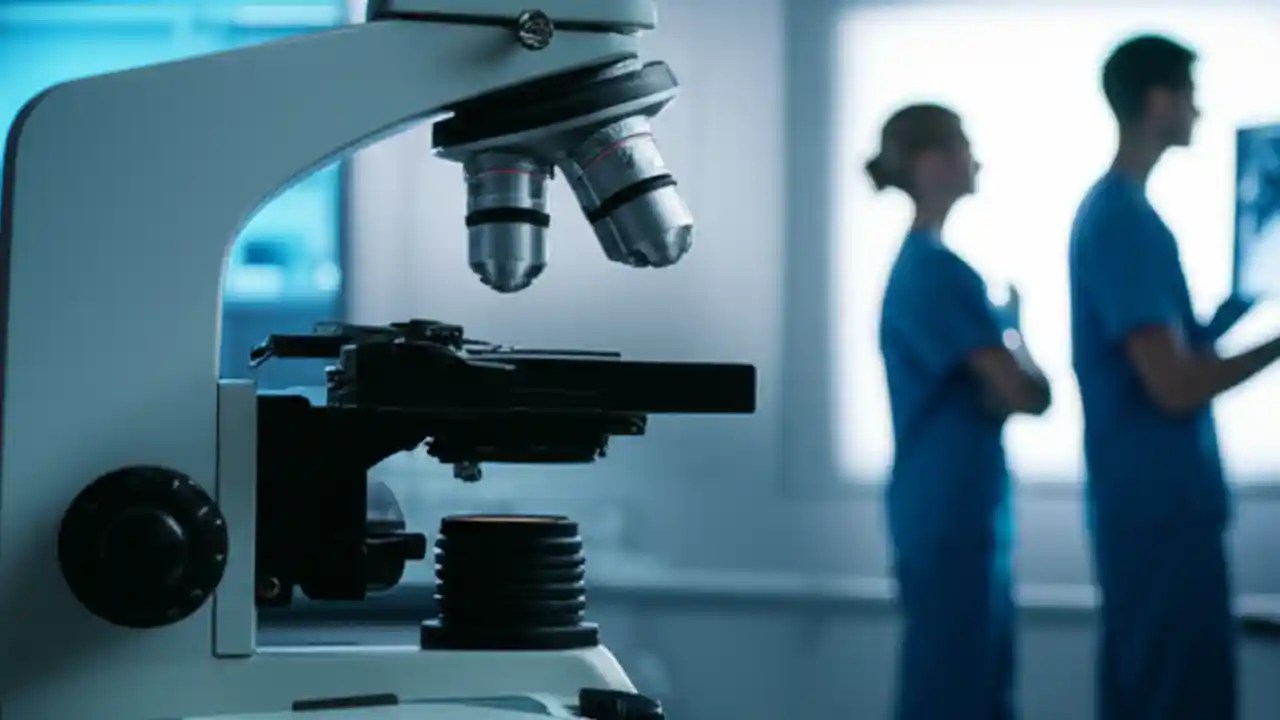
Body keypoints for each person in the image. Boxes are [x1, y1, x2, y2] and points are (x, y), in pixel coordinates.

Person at [1069, 34, 1280, 720]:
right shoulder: (1124, 223)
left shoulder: (1124, 215)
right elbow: (1175, 386)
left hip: (1154, 510)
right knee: (1174, 698)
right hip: (1159, 515)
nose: (1200, 109)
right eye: (1190, 94)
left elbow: (1168, 351)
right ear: (1159, 101)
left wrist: (1236, 308)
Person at [869, 103, 1052, 720]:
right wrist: (1014, 337)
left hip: (951, 509)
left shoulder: (929, 269)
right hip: (949, 512)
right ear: (930, 162)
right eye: (963, 145)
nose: (975, 160)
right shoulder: (937, 273)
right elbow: (1026, 394)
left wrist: (1004, 345)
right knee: (954, 691)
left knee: (970, 682)